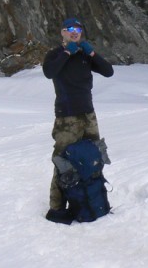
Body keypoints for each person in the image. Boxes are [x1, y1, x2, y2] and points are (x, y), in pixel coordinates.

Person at [42, 16, 114, 223]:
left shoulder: (84, 54)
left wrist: (90, 52)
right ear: (62, 32)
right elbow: (49, 72)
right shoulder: (55, 54)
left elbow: (108, 72)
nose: (75, 32)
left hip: (88, 114)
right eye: (70, 28)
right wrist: (67, 52)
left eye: (79, 29)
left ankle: (90, 200)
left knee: (94, 156)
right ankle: (56, 208)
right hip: (67, 116)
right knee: (63, 161)